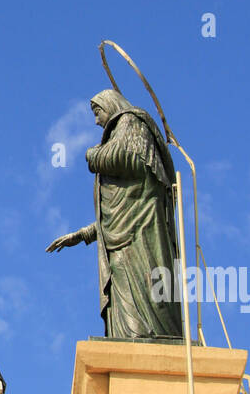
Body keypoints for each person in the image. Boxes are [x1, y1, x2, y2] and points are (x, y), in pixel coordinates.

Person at [46, 89, 183, 340]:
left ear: (111, 104)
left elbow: (131, 159)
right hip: (126, 239)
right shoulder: (121, 131)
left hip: (144, 235)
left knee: (150, 292)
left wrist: (93, 155)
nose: (97, 121)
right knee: (124, 296)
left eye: (98, 112)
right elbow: (120, 212)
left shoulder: (131, 122)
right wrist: (82, 234)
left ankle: (155, 341)